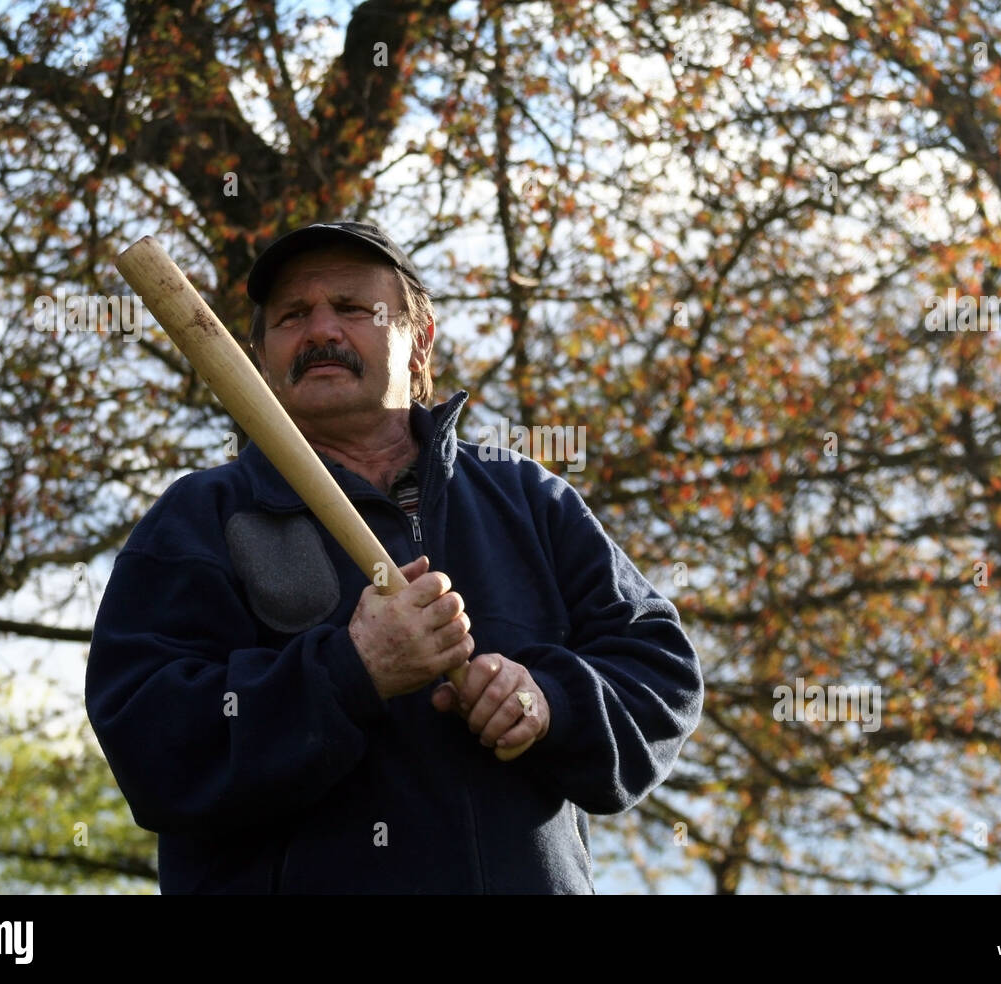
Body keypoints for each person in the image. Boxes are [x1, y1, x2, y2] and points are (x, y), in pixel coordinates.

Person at [85, 219, 703, 893]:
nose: (321, 330)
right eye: (293, 315)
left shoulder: (526, 498)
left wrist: (550, 701)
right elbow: (153, 746)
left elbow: (660, 671)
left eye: (353, 308)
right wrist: (352, 672)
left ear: (420, 344)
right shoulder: (198, 520)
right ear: (260, 358)